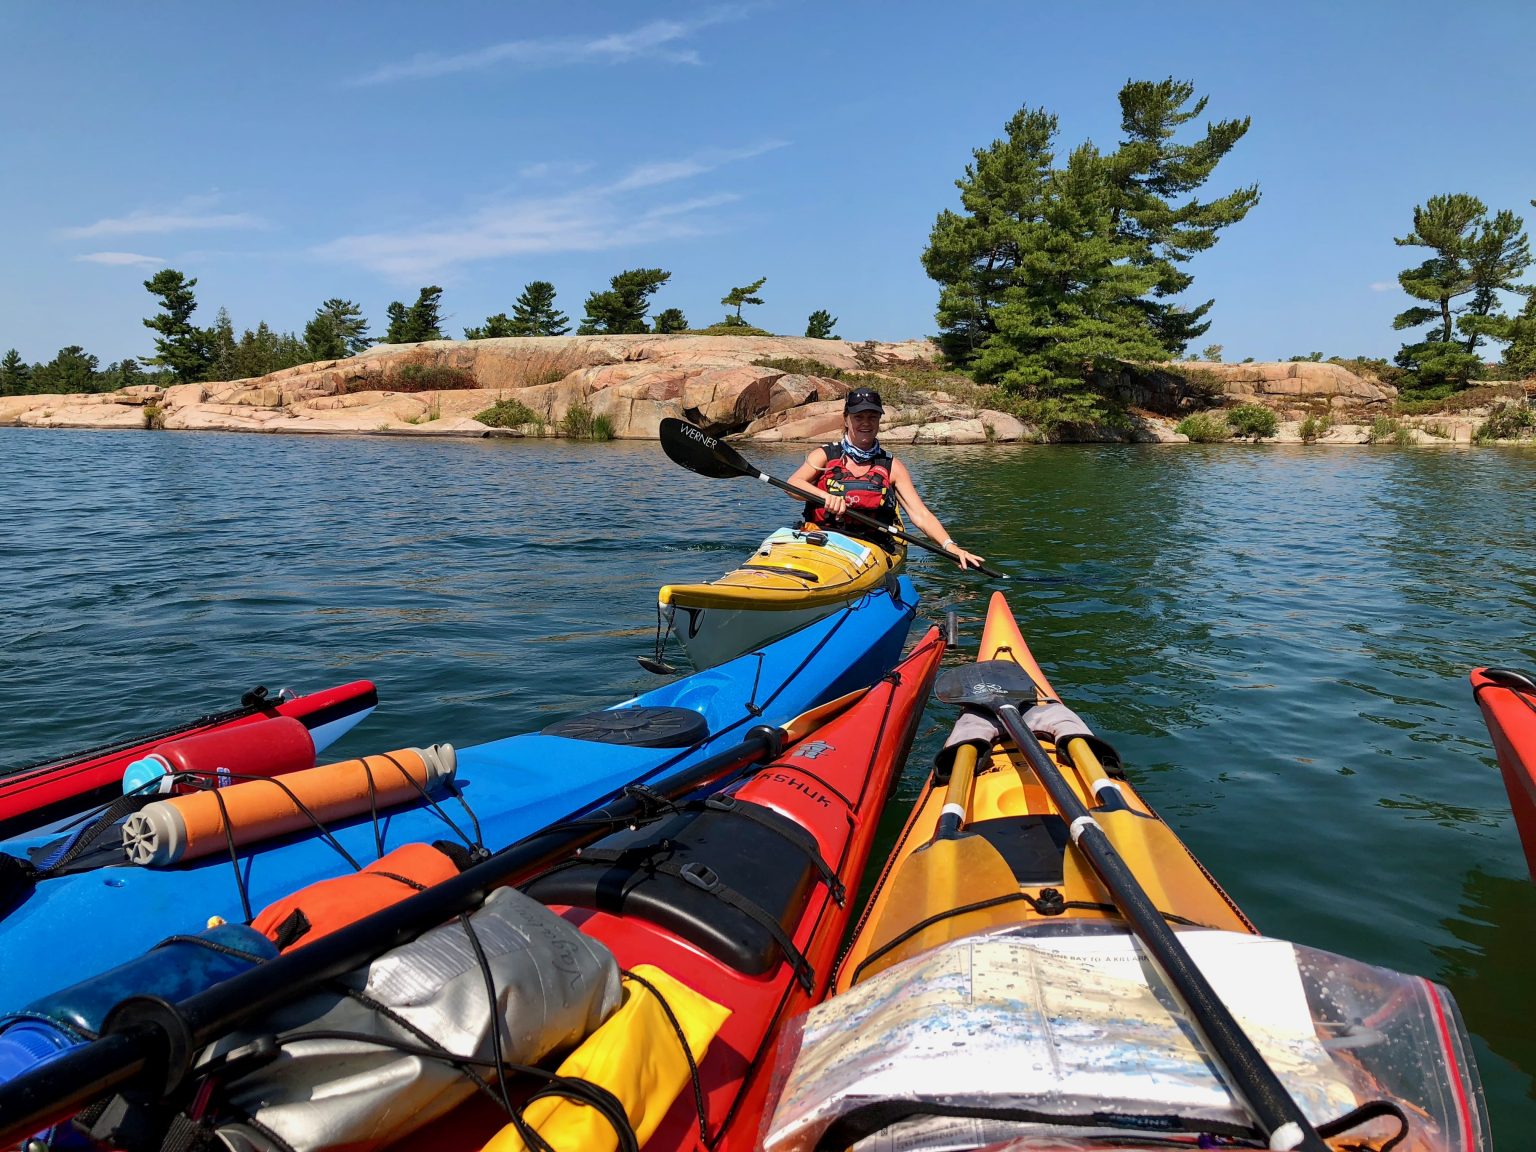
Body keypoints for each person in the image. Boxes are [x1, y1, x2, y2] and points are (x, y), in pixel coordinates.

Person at [786, 387, 986, 570]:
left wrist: (950, 546)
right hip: (820, 537)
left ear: (879, 421)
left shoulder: (891, 467)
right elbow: (792, 485)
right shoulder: (824, 455)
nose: (866, 423)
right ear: (846, 419)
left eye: (872, 417)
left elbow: (920, 515)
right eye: (859, 417)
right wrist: (824, 496)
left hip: (868, 546)